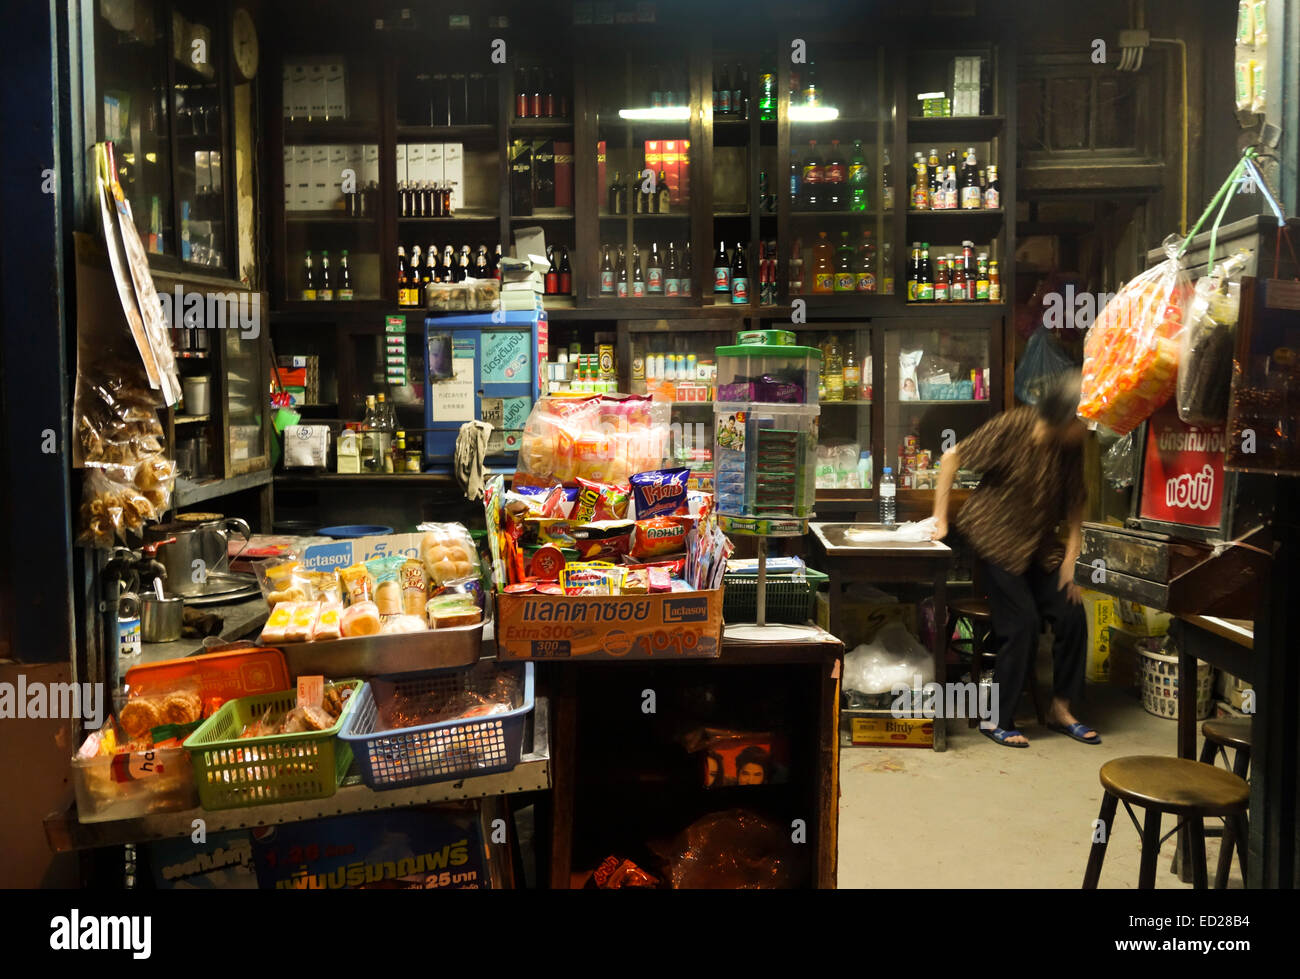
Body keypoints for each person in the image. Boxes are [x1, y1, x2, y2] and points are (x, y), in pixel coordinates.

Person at [930, 369, 1098, 749]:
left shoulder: (1069, 448)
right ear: (1063, 417)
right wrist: (940, 517)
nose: (1087, 429)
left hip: (1037, 544)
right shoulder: (1013, 426)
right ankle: (996, 718)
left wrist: (1071, 560)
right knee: (1022, 622)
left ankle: (1060, 708)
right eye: (1082, 420)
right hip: (994, 536)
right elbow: (951, 458)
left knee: (1072, 612)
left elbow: (1076, 502)